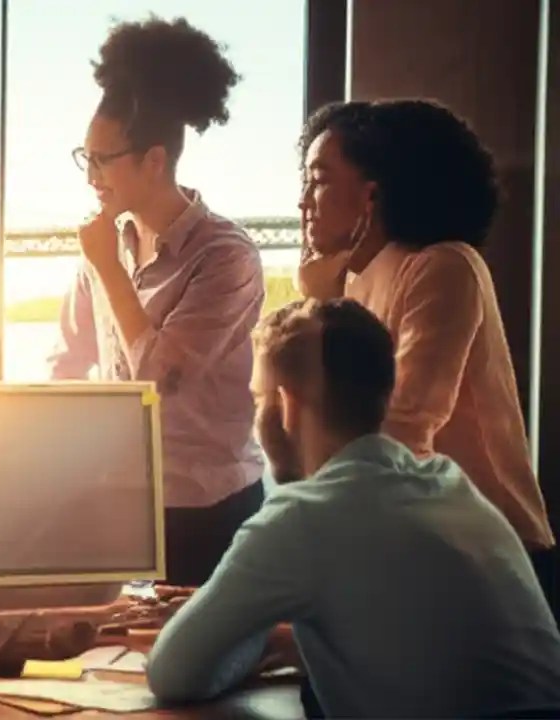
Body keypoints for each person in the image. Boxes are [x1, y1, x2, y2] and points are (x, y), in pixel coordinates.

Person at [144, 298, 560, 718]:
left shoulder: (302, 516)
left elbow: (172, 673)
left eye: (258, 398)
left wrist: (241, 635)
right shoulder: (449, 484)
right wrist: (278, 639)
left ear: (285, 405)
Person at [296, 99, 556, 614]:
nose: (303, 202)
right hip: (414, 542)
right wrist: (318, 301)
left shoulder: (445, 266)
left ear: (372, 196)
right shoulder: (351, 283)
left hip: (492, 552)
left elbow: (404, 426)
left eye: (319, 181)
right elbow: (315, 417)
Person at [48, 16, 266, 586]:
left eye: (102, 159)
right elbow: (68, 361)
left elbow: (159, 380)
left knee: (193, 673)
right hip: (116, 501)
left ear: (153, 160)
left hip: (208, 511)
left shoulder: (226, 257)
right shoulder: (104, 243)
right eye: (85, 157)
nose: (90, 176)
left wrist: (109, 272)